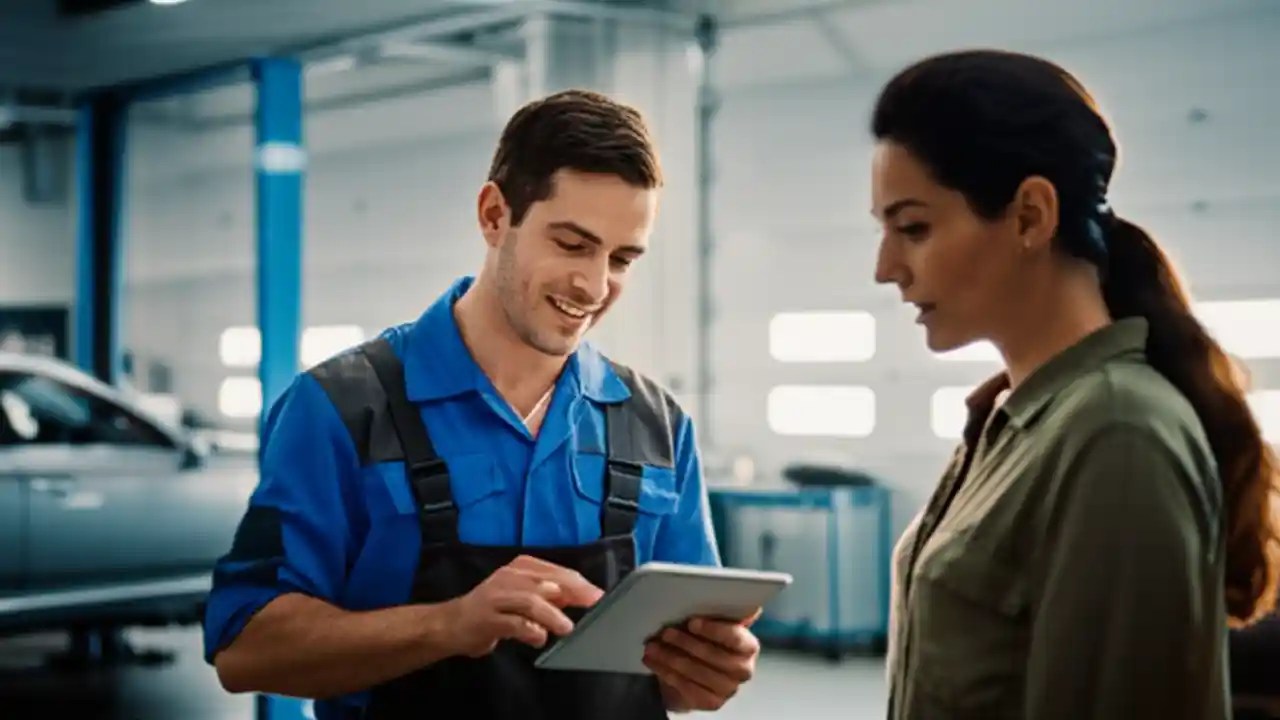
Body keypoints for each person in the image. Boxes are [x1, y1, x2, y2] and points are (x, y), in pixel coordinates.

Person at [202, 89, 761, 720]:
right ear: (495, 215)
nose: (596, 284)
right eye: (573, 244)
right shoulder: (341, 409)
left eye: (622, 258)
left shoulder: (655, 425)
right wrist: (449, 625)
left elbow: (680, 686)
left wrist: (708, 670)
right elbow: (244, 649)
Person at [868, 49, 1280, 719]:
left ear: (1030, 215)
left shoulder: (1117, 433)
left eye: (913, 228)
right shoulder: (1013, 418)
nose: (887, 268)